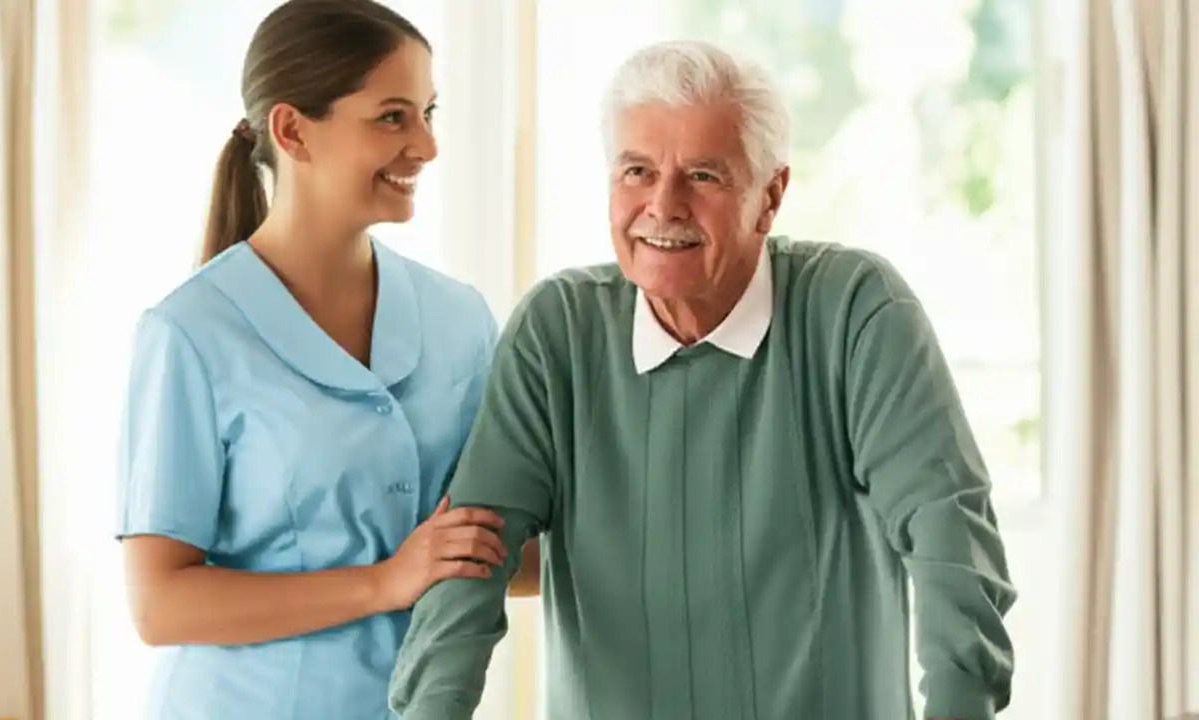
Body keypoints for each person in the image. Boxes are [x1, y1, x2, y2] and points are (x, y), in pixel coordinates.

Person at [390, 40, 1016, 720]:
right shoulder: (557, 330)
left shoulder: (856, 311)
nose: (664, 205)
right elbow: (471, 559)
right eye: (636, 171)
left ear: (770, 196)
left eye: (704, 176)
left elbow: (950, 535)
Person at [115, 1, 509, 717]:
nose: (426, 144)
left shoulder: (460, 319)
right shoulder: (191, 332)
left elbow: (481, 543)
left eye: (428, 112)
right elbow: (159, 604)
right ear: (293, 130)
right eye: (393, 117)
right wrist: (384, 581)